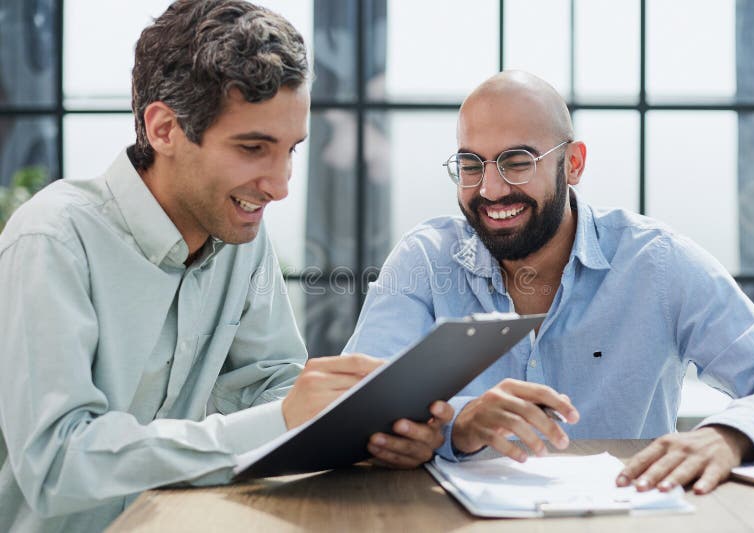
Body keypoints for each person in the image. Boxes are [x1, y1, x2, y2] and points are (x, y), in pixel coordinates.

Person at [0, 2, 451, 531]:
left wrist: (360, 427)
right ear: (165, 129)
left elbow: (273, 386)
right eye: (253, 148)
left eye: (290, 150)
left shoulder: (238, 236)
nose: (281, 186)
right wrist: (279, 421)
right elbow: (57, 466)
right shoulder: (51, 240)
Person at [345, 70, 754, 495]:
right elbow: (354, 407)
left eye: (516, 162)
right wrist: (459, 425)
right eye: (471, 164)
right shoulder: (424, 260)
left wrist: (729, 436)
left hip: (627, 516)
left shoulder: (658, 262)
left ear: (574, 163)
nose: (491, 189)